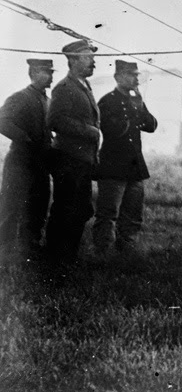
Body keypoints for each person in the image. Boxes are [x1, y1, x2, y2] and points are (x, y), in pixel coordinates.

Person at [92, 60, 157, 259]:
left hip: (134, 166)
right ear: (118, 77)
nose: (136, 79)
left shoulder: (136, 100)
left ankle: (127, 251)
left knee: (133, 214)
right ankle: (103, 253)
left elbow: (151, 125)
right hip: (113, 165)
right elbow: (113, 130)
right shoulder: (107, 101)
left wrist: (139, 106)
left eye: (137, 75)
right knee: (108, 213)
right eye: (132, 75)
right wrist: (134, 113)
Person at [44, 40, 101, 266]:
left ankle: (67, 260)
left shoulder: (83, 86)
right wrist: (89, 131)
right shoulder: (64, 88)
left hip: (82, 161)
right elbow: (55, 120)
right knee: (65, 212)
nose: (93, 62)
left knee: (80, 211)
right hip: (69, 161)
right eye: (88, 58)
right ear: (73, 60)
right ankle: (56, 262)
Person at [0, 58, 54, 263]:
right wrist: (25, 139)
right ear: (32, 73)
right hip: (20, 162)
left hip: (40, 163)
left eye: (51, 72)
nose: (50, 76)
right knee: (11, 204)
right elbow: (2, 121)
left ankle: (29, 248)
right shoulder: (20, 98)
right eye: (45, 72)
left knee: (38, 205)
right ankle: (4, 250)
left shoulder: (48, 101)